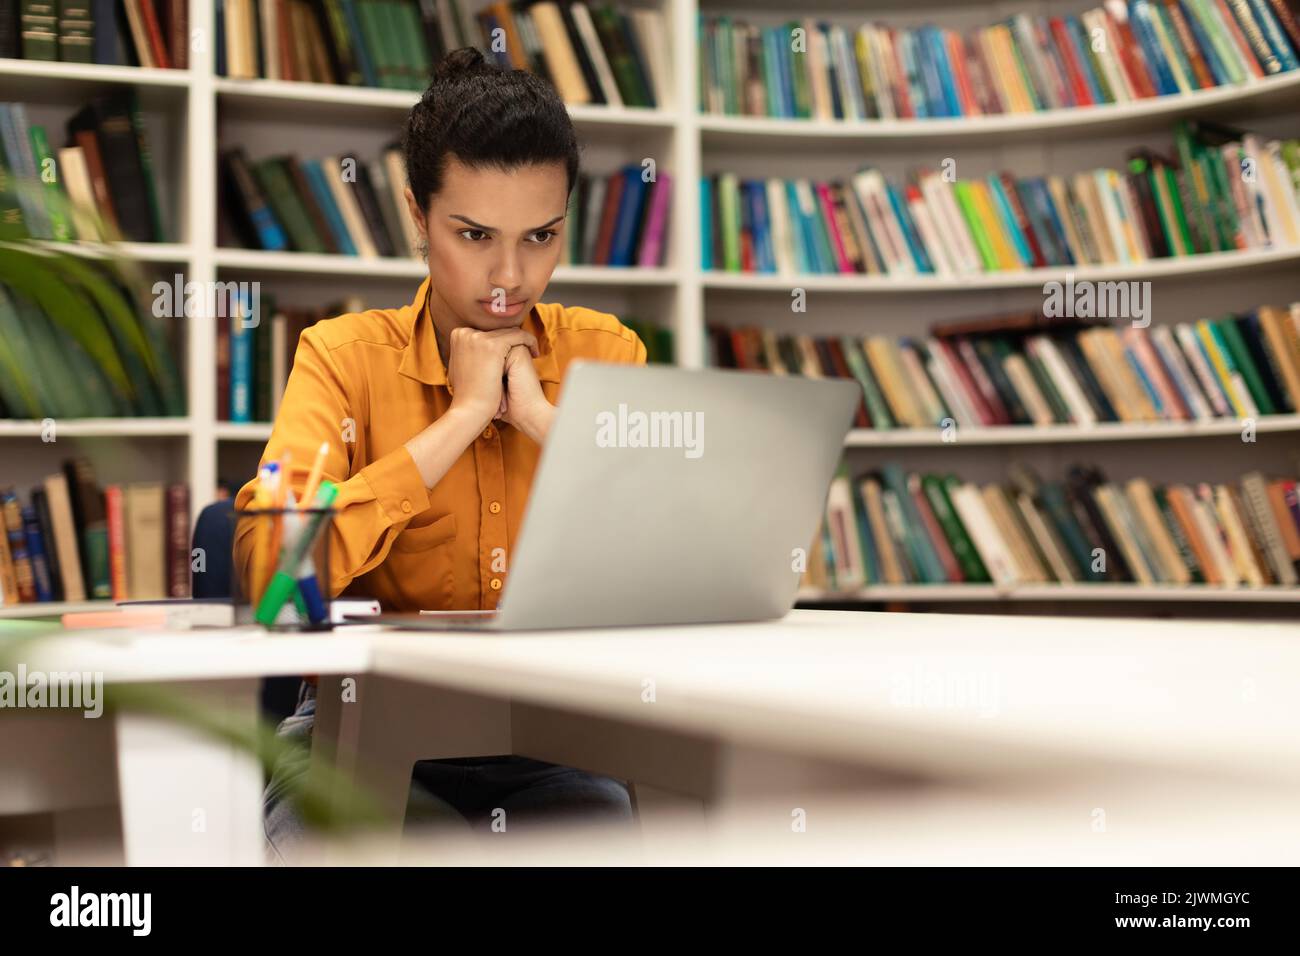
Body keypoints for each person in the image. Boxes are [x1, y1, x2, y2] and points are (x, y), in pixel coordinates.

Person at [233, 47, 645, 863]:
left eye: (541, 237)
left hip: (551, 746)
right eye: (474, 235)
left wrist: (537, 416)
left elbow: (674, 547)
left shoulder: (606, 355)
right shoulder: (341, 358)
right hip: (354, 741)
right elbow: (272, 577)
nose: (509, 276)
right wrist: (458, 419)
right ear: (418, 217)